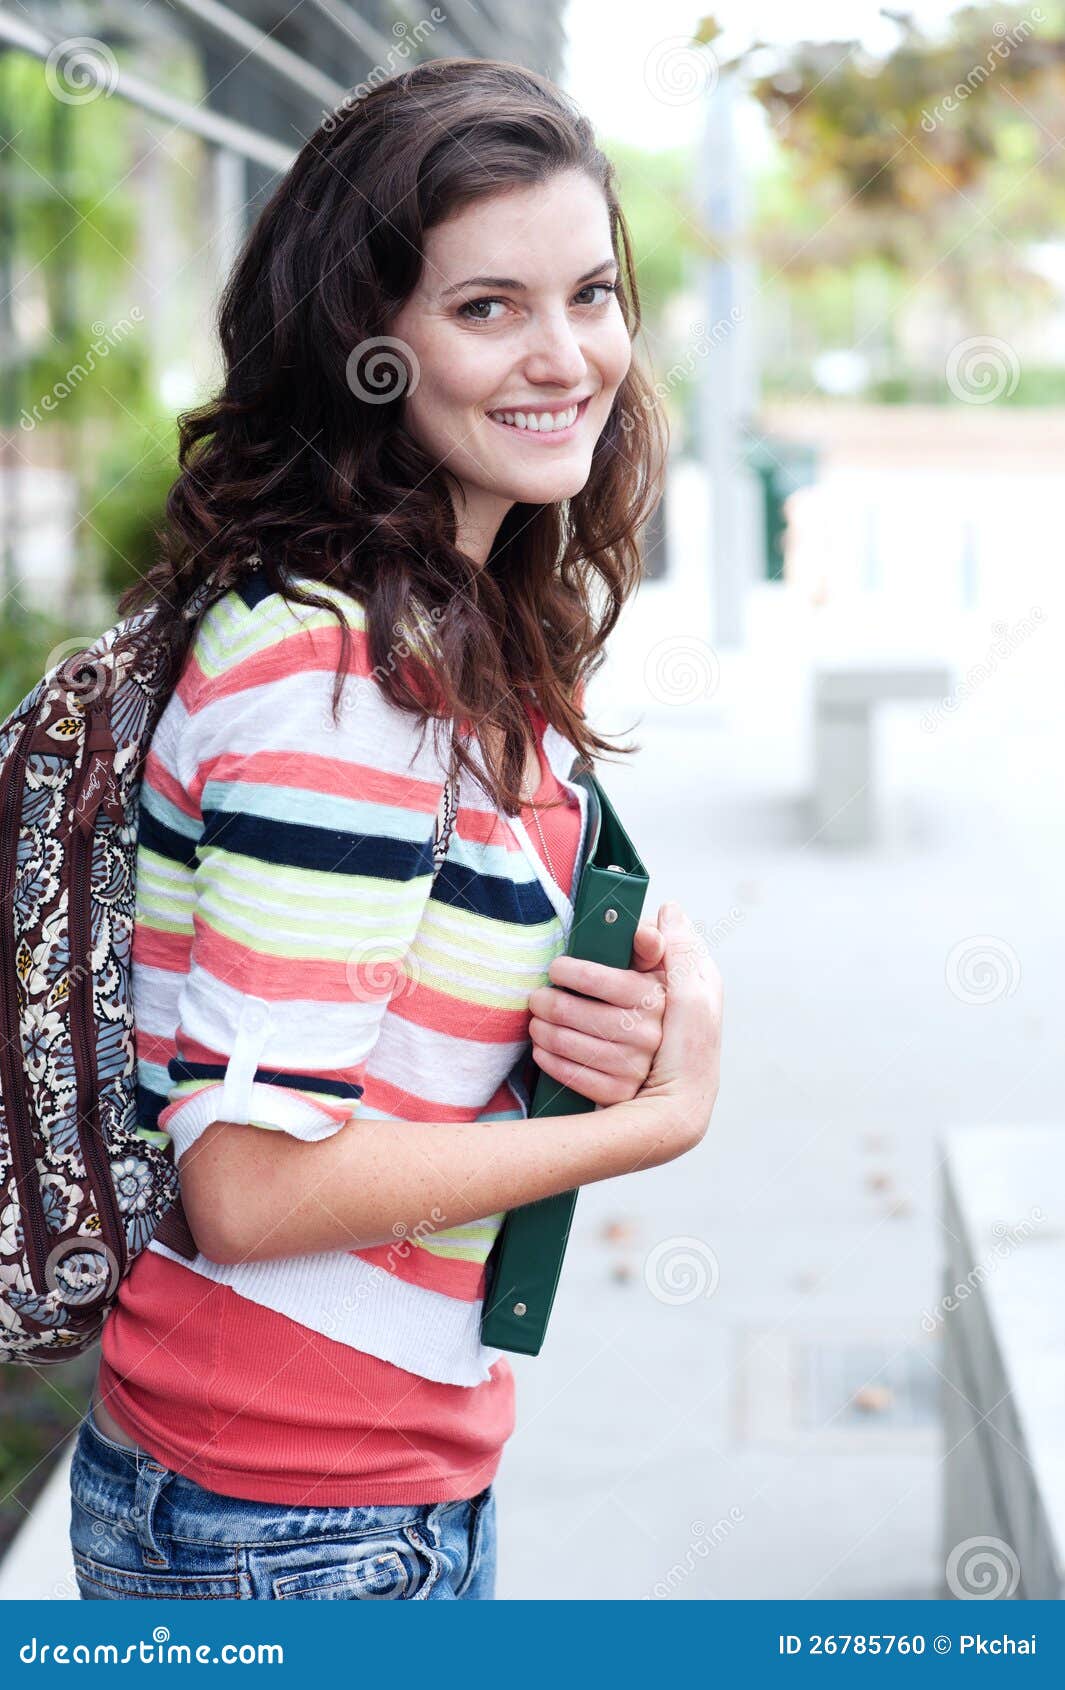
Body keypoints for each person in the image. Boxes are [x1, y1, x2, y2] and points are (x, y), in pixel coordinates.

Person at [68, 57, 724, 1601]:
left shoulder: (441, 625)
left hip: (351, 1489)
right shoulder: (339, 675)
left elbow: (391, 1019)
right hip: (290, 1523)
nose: (565, 355)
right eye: (486, 307)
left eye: (590, 293)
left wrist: (637, 1008)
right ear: (365, 342)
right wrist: (656, 1117)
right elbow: (250, 1185)